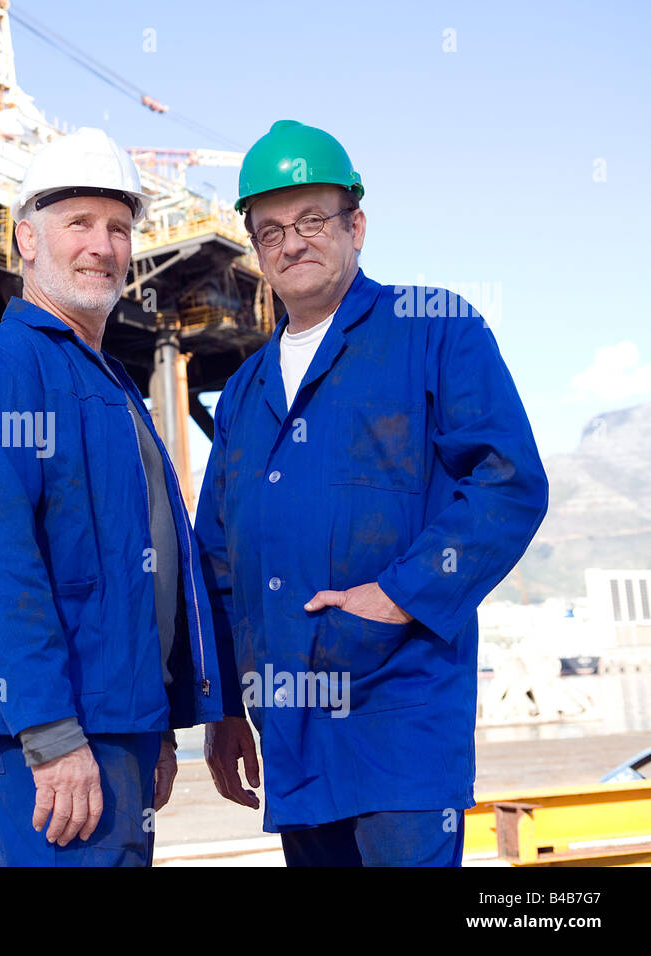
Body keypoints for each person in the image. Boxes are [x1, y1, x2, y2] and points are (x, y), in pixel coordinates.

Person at [195, 120, 549, 866]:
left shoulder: (434, 329)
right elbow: (218, 561)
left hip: (399, 720)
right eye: (270, 231)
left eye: (313, 220)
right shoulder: (244, 391)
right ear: (256, 252)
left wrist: (396, 596)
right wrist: (225, 706)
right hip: (290, 735)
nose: (293, 242)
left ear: (356, 224)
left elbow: (508, 483)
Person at [0, 127, 230, 866]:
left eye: (119, 228)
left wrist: (159, 722)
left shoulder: (111, 382)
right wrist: (53, 734)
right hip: (53, 743)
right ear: (27, 239)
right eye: (79, 224)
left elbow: (146, 561)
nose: (102, 244)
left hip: (119, 733)